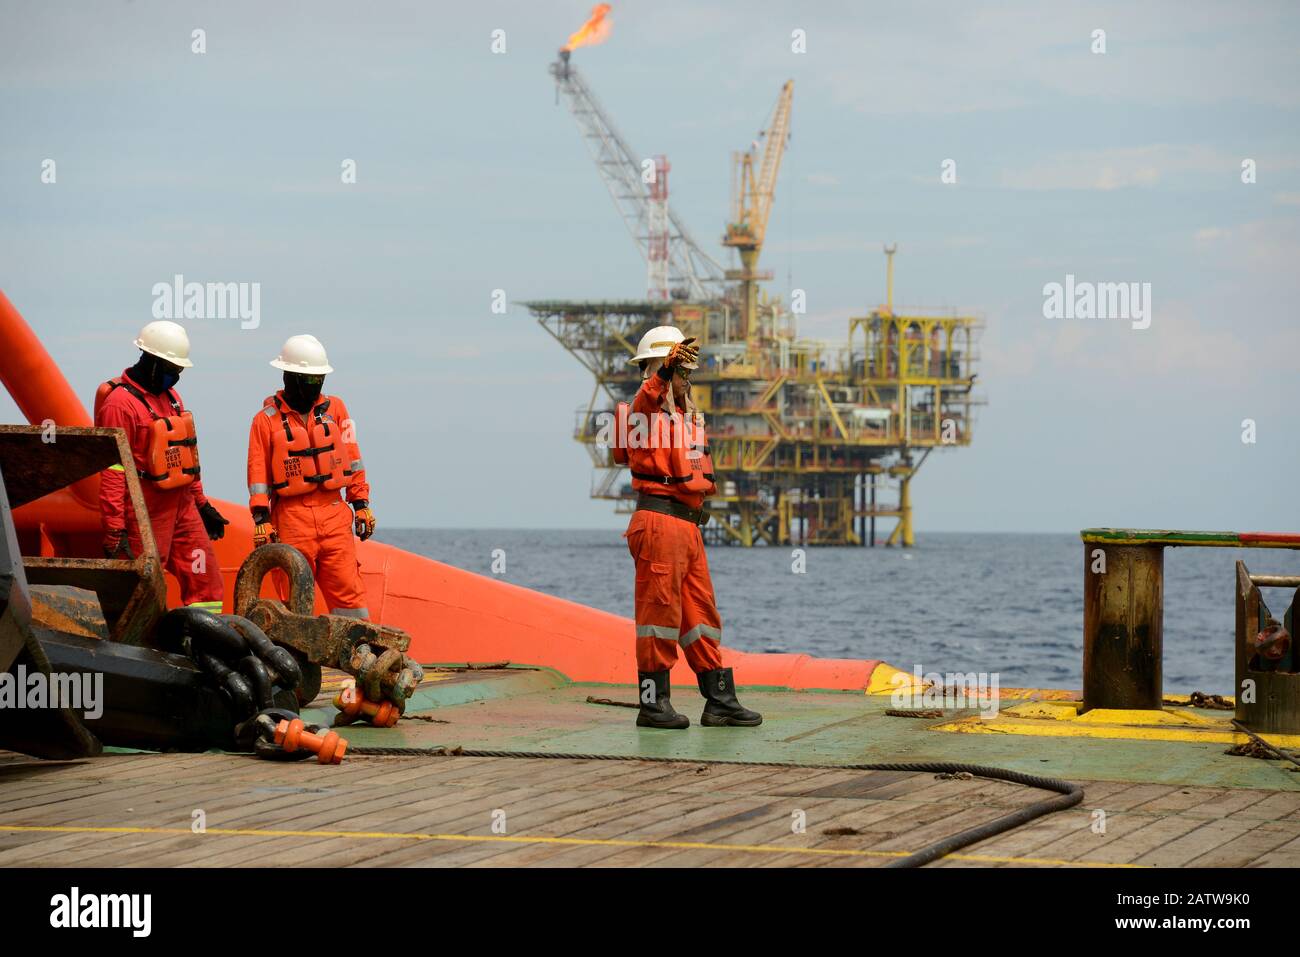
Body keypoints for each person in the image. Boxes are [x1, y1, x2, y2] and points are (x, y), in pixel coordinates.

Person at [622, 325, 762, 729]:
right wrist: (664, 373)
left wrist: (676, 383)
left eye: (687, 372)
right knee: (658, 615)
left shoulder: (683, 417)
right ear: (658, 369)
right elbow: (649, 398)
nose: (688, 379)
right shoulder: (643, 411)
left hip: (687, 527)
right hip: (659, 522)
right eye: (682, 372)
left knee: (700, 613)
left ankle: (718, 699)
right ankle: (653, 705)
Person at [94, 320, 227, 613]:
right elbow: (114, 470)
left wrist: (202, 504)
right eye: (171, 370)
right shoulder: (119, 404)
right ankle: (140, 652)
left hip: (182, 505)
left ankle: (206, 643)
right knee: (145, 586)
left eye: (178, 372)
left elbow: (185, 455)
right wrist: (115, 530)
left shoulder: (172, 398)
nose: (175, 377)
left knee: (206, 580)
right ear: (151, 361)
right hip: (145, 508)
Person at [245, 334, 374, 618]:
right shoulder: (265, 420)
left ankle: (360, 649)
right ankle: (295, 660)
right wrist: (261, 520)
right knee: (294, 598)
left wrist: (361, 504)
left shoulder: (337, 410)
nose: (315, 386)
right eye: (309, 380)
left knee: (348, 591)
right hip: (291, 520)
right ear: (289, 376)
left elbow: (352, 458)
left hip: (335, 515)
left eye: (319, 379)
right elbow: (258, 473)